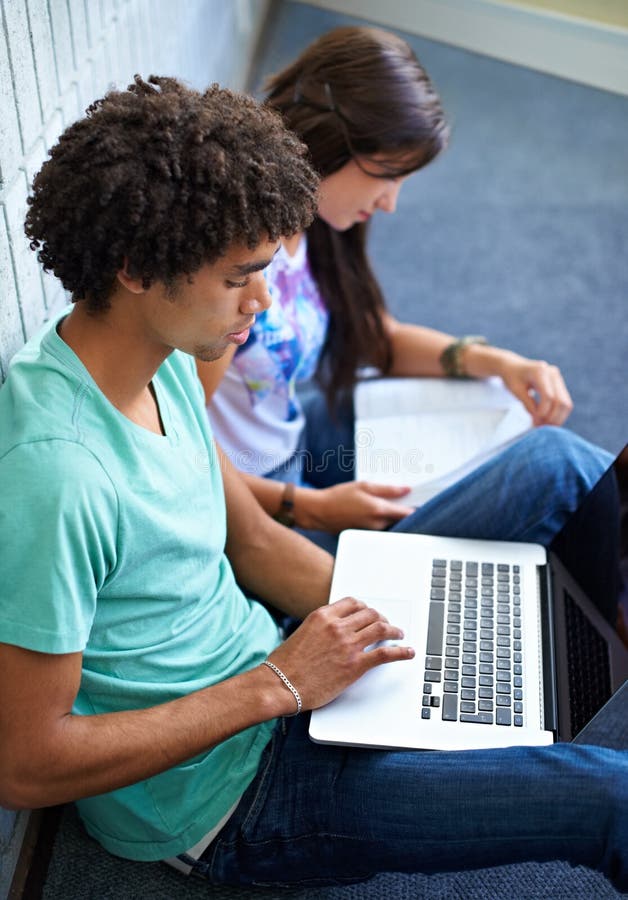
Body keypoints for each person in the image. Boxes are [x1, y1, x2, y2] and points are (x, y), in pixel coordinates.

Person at [0, 76, 626, 892]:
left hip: (280, 664)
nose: (262, 300)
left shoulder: (167, 360)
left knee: (557, 465)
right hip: (229, 801)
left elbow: (253, 539)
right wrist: (282, 683)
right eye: (239, 278)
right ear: (136, 267)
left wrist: (412, 630)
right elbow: (25, 765)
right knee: (612, 797)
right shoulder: (58, 477)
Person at [199, 26, 586, 546]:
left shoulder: (312, 221)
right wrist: (310, 507)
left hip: (289, 448)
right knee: (557, 469)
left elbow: (373, 338)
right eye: (387, 175)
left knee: (499, 403)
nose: (390, 203)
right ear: (329, 144)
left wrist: (497, 363)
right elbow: (182, 453)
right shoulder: (242, 267)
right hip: (258, 515)